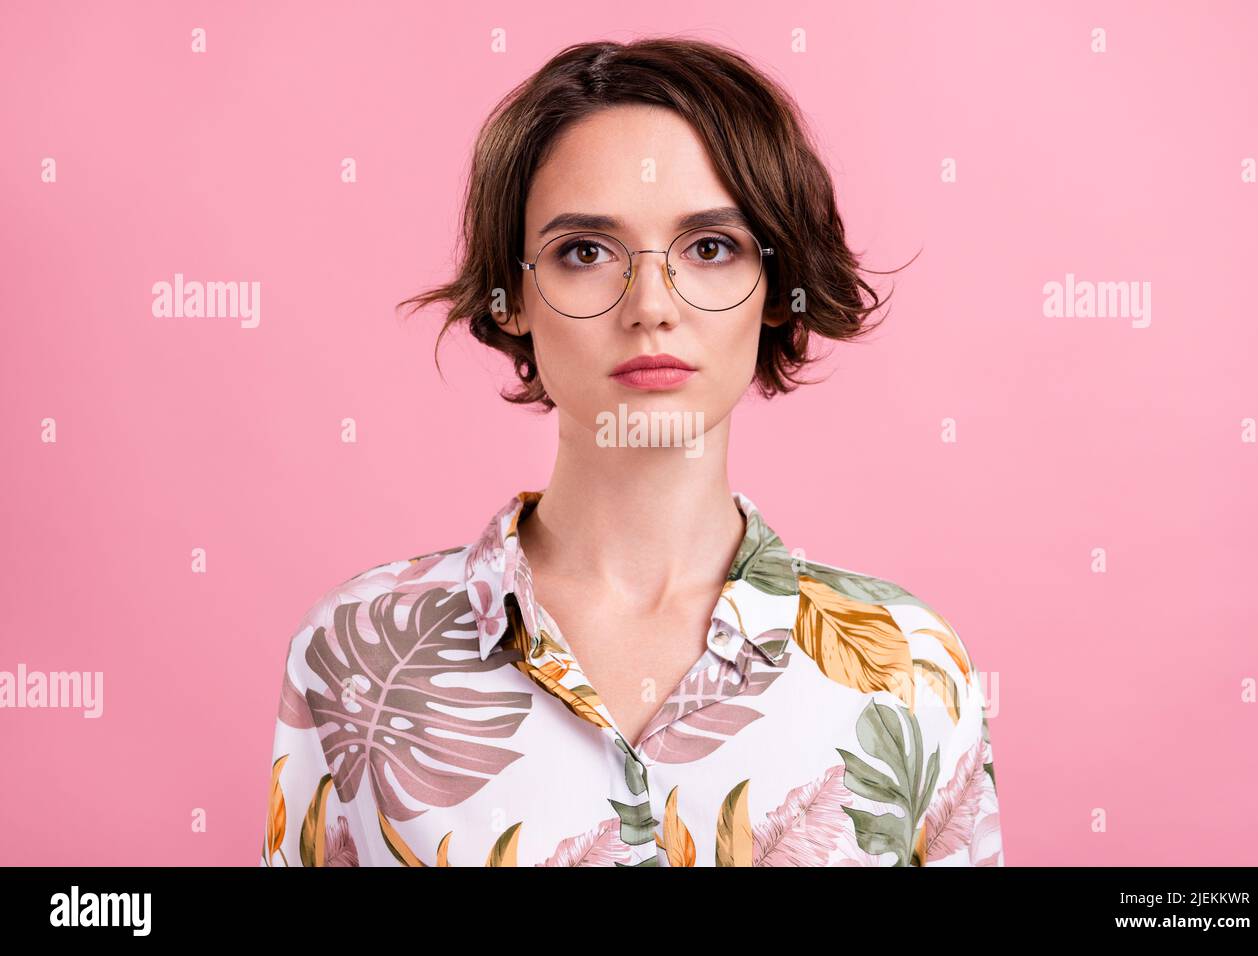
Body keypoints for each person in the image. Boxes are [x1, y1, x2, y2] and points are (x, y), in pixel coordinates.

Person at [259, 36, 1003, 867]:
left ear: (773, 285)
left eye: (710, 248)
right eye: (586, 252)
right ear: (510, 300)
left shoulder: (909, 666)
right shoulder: (356, 650)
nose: (650, 305)